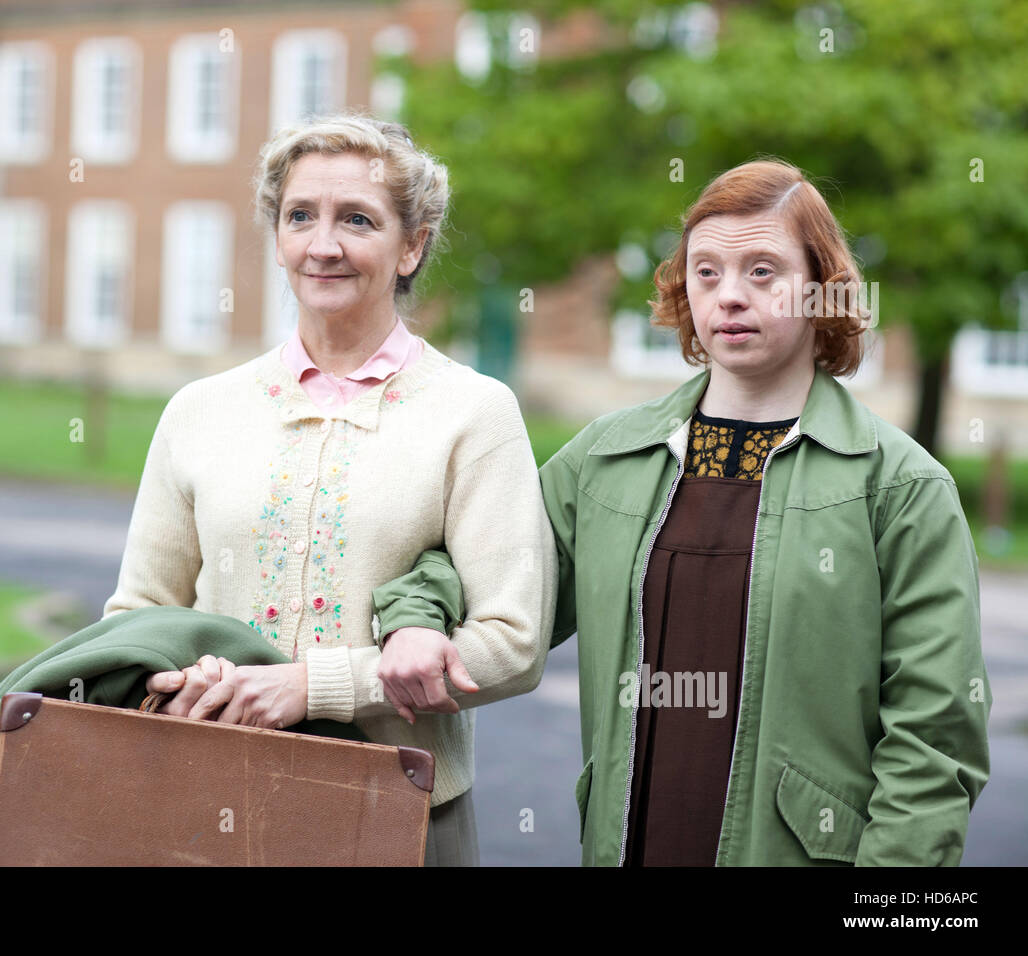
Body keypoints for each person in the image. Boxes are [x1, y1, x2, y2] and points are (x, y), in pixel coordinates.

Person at [373, 159, 992, 866]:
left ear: (822, 289)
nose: (729, 296)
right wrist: (414, 618)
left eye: (763, 271)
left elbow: (935, 742)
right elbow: (484, 562)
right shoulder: (606, 460)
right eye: (707, 272)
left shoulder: (902, 488)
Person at [100, 112, 558, 866]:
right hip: (211, 803)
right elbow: (137, 617)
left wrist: (318, 686)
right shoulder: (200, 410)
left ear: (412, 246)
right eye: (300, 216)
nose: (324, 245)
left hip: (397, 815)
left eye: (357, 220)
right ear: (276, 235)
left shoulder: (474, 414)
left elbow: (511, 646)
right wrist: (193, 670)